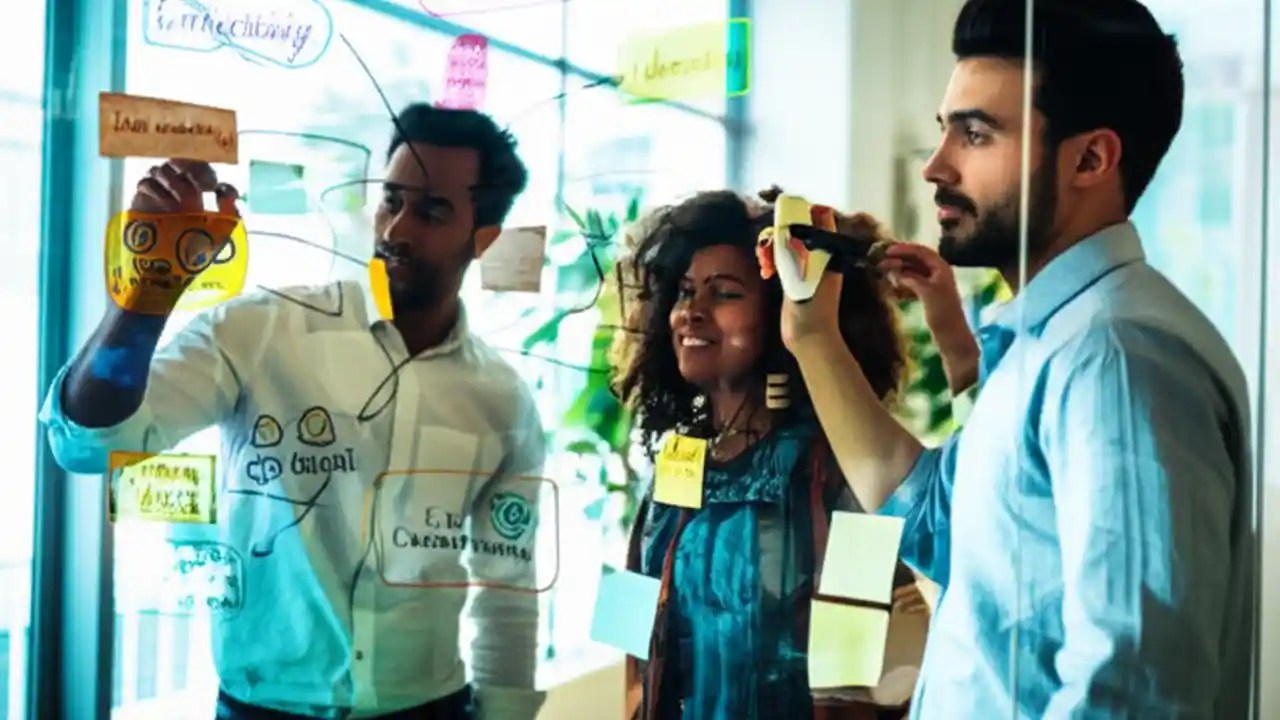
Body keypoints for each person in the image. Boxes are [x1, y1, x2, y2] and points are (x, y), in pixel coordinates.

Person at [785, 1, 1254, 718]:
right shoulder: (1050, 342)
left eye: (975, 134)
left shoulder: (1115, 357)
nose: (936, 166)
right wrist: (813, 336)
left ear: (1090, 159)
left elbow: (1129, 690)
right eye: (945, 130)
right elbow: (934, 522)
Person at [40, 105, 547, 720]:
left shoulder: (501, 397)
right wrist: (147, 293)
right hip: (263, 709)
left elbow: (507, 589)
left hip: (430, 708)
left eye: (433, 212)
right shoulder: (262, 329)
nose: (397, 228)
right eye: (391, 200)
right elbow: (87, 442)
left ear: (483, 238)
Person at [613, 188, 973, 720]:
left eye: (725, 293)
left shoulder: (830, 469)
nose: (691, 312)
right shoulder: (671, 463)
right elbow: (627, 640)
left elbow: (863, 688)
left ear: (780, 312)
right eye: (685, 292)